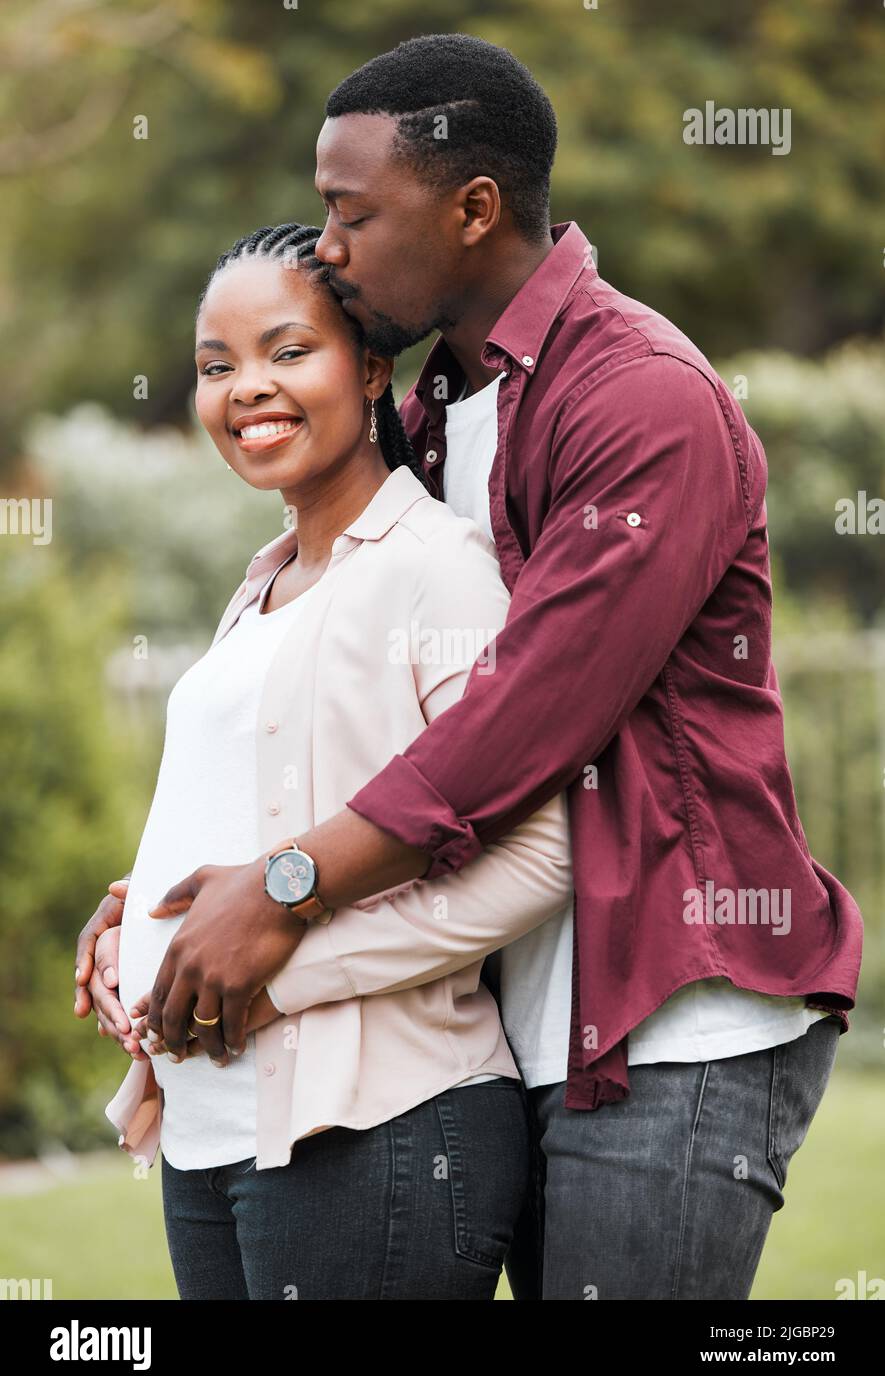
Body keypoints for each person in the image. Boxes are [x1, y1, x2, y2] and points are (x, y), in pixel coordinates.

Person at [78, 35, 863, 1300]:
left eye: (351, 211)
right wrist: (180, 888)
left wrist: (278, 888)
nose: (325, 244)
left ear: (473, 206)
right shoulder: (440, 407)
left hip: (670, 1019)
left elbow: (525, 715)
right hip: (506, 1022)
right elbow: (376, 718)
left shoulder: (640, 396)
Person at [98, 220, 574, 1300]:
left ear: (370, 367)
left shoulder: (433, 572)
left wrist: (287, 969)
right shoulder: (262, 584)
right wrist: (132, 922)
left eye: (287, 352)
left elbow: (543, 859)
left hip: (377, 1130)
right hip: (211, 1133)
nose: (246, 388)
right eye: (217, 366)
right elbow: (252, 816)